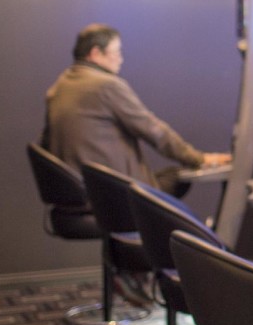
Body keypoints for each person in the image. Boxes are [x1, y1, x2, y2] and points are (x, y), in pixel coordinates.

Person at [42, 23, 229, 196]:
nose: (121, 59)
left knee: (170, 176)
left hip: (79, 194)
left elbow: (46, 146)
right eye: (117, 52)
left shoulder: (59, 87)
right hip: (112, 196)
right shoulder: (106, 86)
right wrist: (200, 159)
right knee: (178, 177)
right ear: (96, 53)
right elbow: (154, 131)